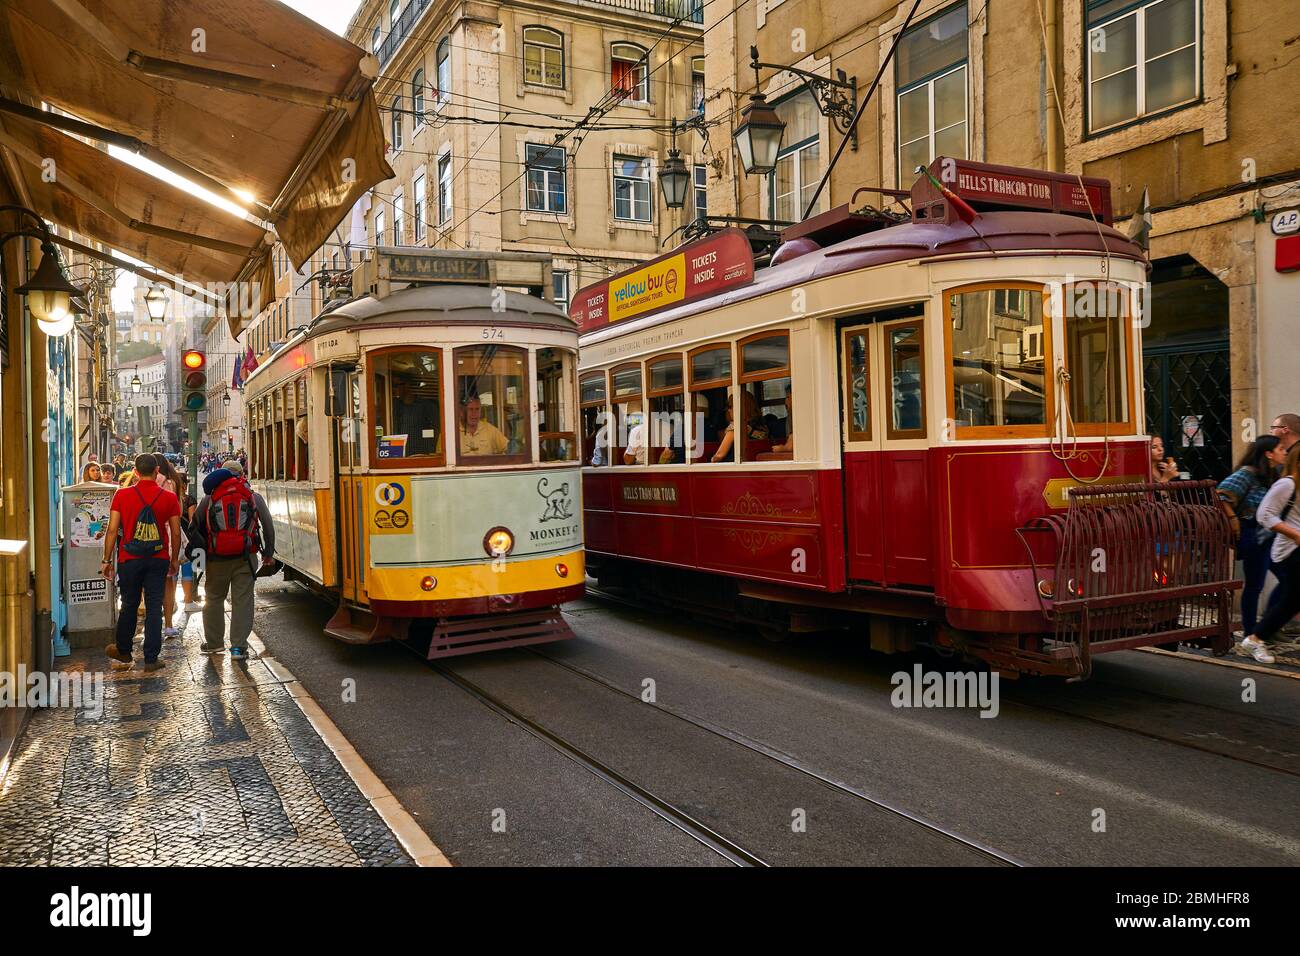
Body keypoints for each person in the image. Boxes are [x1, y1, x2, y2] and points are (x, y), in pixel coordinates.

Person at [99, 454, 181, 672]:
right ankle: (151, 658)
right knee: (155, 607)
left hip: (129, 558)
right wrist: (174, 559)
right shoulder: (169, 497)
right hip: (158, 558)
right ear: (156, 472)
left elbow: (113, 530)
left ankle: (124, 651)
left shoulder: (122, 495)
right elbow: (175, 532)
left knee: (129, 604)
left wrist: (106, 560)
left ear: (135, 471)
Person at [194, 460, 274, 659]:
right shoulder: (253, 497)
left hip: (216, 558)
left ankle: (214, 644)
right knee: (242, 602)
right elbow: (268, 526)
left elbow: (195, 527)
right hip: (245, 557)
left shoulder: (209, 498)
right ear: (240, 475)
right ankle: (238, 648)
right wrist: (268, 553)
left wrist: (200, 556)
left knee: (213, 599)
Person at [1240, 443, 1300, 664]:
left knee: (1293, 599)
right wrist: (1294, 534)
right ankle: (1255, 637)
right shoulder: (1287, 484)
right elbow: (1265, 515)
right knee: (1292, 598)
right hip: (1291, 549)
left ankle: (1256, 637)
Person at [1218, 436, 1281, 638]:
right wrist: (1232, 519)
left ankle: (1267, 626)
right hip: (1252, 533)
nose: (1285, 452)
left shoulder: (1273, 475)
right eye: (1280, 449)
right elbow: (1221, 494)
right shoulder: (1247, 473)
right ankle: (1251, 632)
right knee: (1255, 584)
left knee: (1288, 580)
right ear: (1268, 453)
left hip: (1269, 533)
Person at [711, 389, 768, 463]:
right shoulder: (762, 426)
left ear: (738, 407)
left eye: (730, 406)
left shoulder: (735, 427)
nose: (728, 410)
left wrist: (712, 459)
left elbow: (720, 455)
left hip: (733, 468)